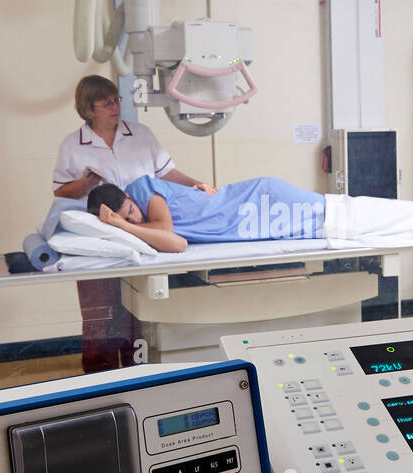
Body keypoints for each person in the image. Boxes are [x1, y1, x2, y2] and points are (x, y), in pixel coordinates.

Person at [52, 75, 215, 372]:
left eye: (117, 100)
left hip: (143, 231)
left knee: (136, 312)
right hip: (101, 237)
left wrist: (197, 184)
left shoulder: (140, 134)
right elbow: (61, 190)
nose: (115, 107)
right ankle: (98, 381)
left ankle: (137, 373)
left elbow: (167, 174)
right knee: (99, 316)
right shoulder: (73, 145)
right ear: (90, 109)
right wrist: (85, 182)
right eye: (107, 103)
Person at [87, 175, 327, 252]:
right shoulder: (138, 226)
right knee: (326, 224)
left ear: (128, 197)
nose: (134, 220)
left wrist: (123, 224)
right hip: (249, 221)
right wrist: (123, 225)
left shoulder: (141, 189)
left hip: (257, 201)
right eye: (127, 220)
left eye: (130, 212)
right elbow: (178, 244)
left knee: (336, 213)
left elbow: (166, 229)